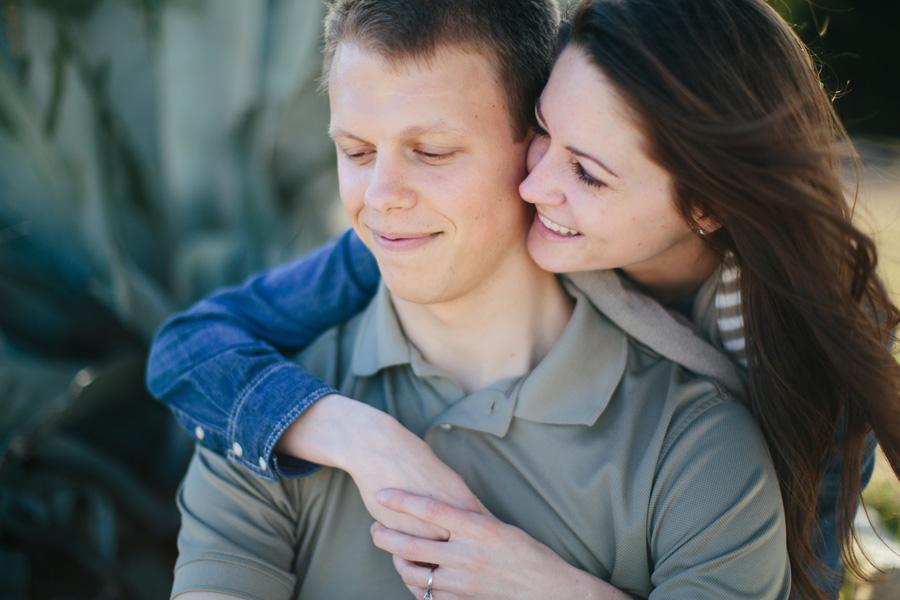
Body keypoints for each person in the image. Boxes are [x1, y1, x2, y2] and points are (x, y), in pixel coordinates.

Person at [148, 0, 900, 598]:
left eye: (589, 172)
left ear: (706, 205)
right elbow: (188, 346)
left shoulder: (759, 397)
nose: (535, 187)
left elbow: (801, 579)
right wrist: (356, 437)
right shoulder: (356, 292)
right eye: (545, 132)